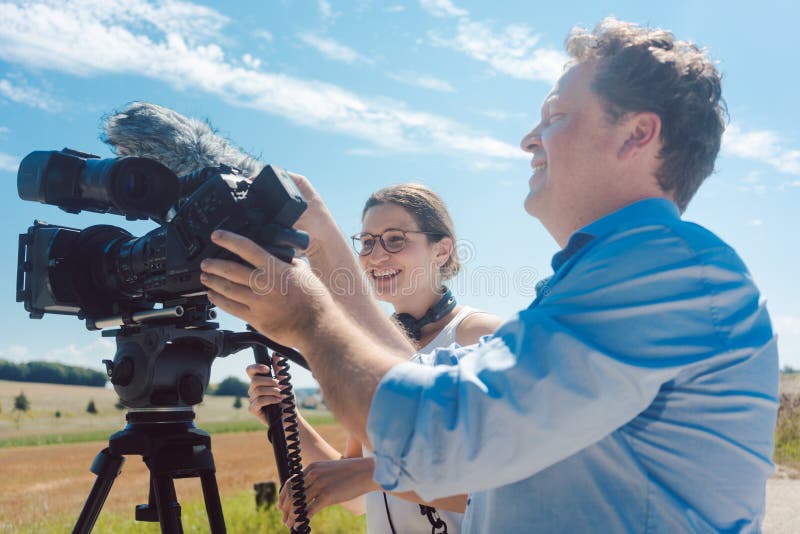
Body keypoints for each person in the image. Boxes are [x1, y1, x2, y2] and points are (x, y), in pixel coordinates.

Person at [200, 17, 779, 532]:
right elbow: (419, 392)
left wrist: (308, 317)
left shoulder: (664, 273)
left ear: (637, 134)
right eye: (367, 243)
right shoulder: (591, 288)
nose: (530, 139)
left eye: (555, 116)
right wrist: (325, 245)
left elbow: (439, 438)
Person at [246, 184, 501, 532]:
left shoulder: (479, 334)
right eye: (367, 242)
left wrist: (376, 476)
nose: (375, 256)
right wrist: (286, 417)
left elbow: (498, 489)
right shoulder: (370, 353)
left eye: (394, 239)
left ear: (441, 250)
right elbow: (355, 497)